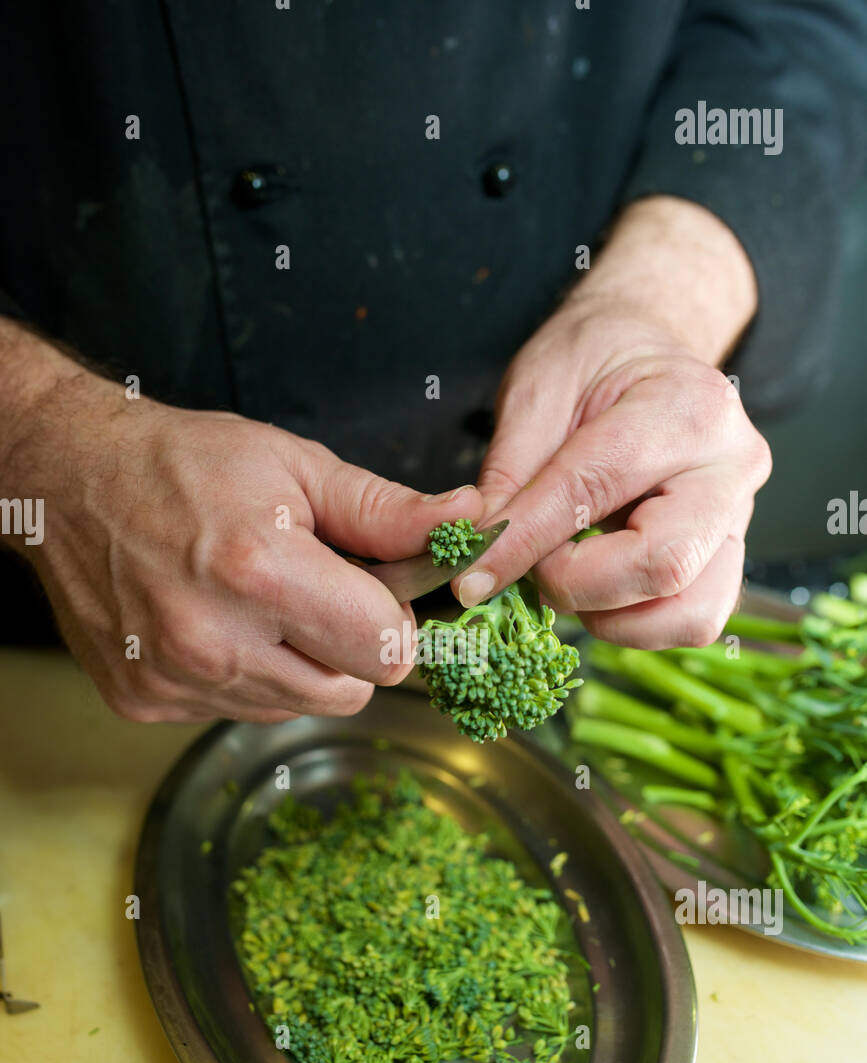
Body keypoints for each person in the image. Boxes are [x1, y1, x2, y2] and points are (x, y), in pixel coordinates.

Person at [1, 2, 865, 724]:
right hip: (68, 614)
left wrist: (655, 309)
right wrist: (38, 437)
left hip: (566, 422)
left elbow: (799, 26)